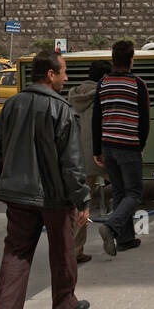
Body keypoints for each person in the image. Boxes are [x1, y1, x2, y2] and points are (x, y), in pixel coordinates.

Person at [0, 50, 91, 309]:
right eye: (64, 72)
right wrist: (81, 199)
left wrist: (3, 184)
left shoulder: (12, 106)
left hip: (17, 195)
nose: (66, 78)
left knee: (16, 252)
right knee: (63, 248)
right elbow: (72, 163)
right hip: (54, 197)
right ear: (50, 74)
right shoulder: (63, 110)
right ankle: (64, 302)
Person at [93, 41, 151, 256]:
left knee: (119, 192)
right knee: (134, 193)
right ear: (131, 60)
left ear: (113, 59)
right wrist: (141, 144)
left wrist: (97, 149)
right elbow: (144, 120)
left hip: (108, 146)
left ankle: (126, 239)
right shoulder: (138, 84)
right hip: (129, 146)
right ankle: (110, 227)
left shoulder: (103, 83)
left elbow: (97, 119)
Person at [68, 60, 112, 264]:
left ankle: (75, 251)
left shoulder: (73, 96)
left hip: (76, 158)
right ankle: (118, 231)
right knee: (128, 191)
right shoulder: (103, 96)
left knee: (81, 205)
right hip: (99, 155)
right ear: (104, 77)